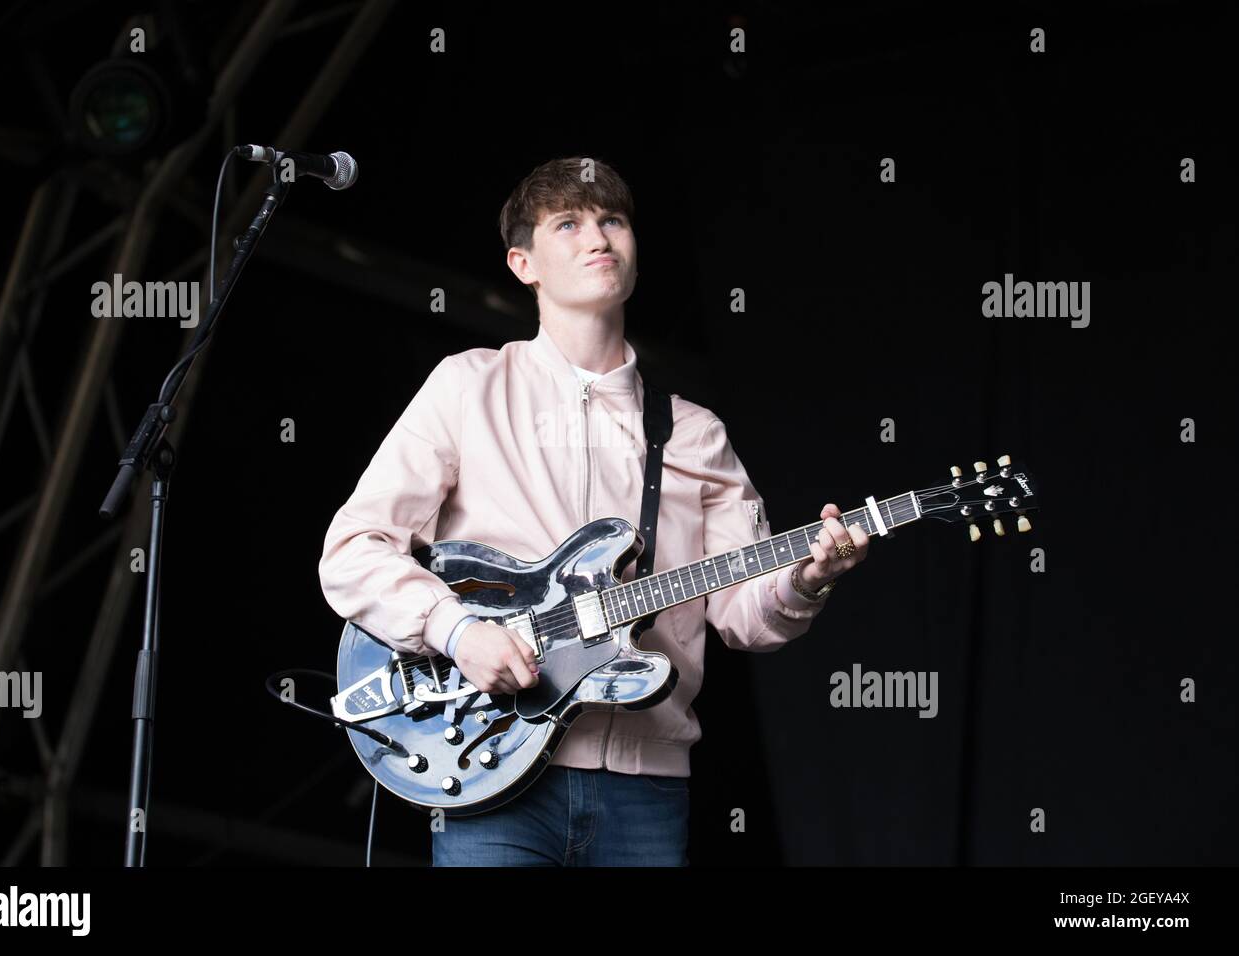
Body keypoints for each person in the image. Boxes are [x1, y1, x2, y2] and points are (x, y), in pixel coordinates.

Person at [318, 157, 870, 866]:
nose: (598, 237)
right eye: (569, 223)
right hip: (492, 769)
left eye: (613, 220)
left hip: (644, 793)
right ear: (524, 264)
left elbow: (743, 612)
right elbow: (354, 548)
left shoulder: (693, 431)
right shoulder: (468, 387)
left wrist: (807, 580)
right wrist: (456, 631)